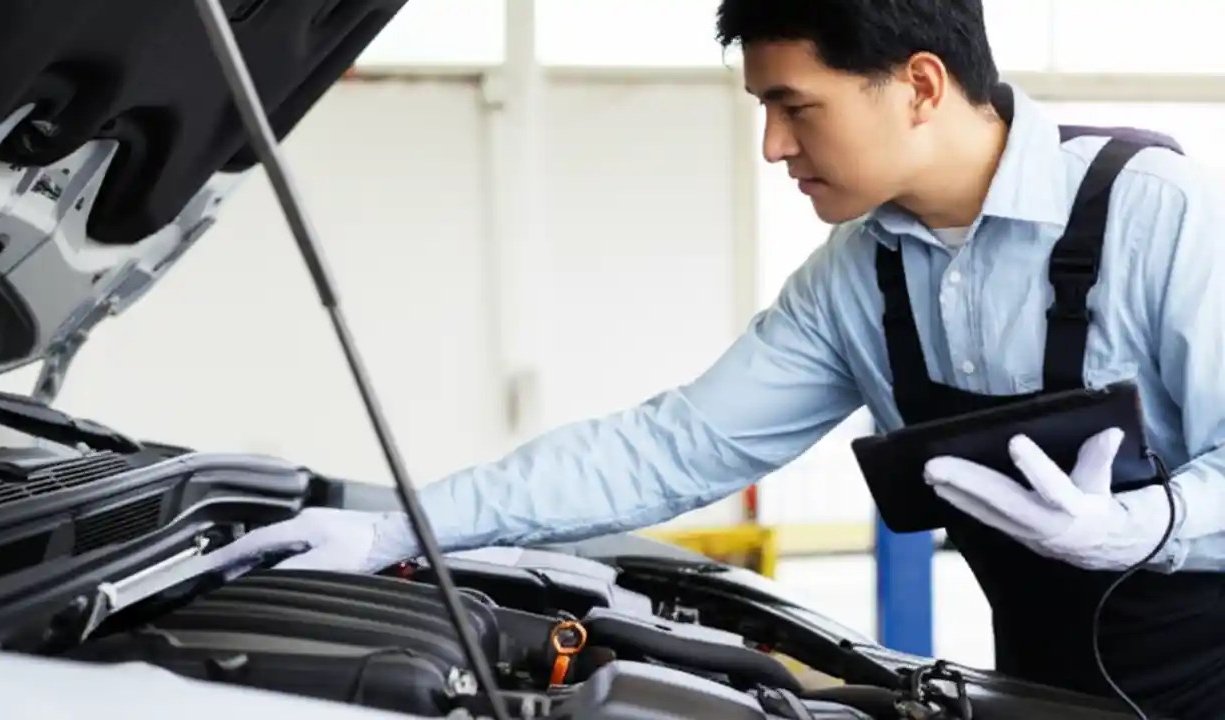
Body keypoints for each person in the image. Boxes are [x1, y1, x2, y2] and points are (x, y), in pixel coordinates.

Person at [198, 1, 1225, 715]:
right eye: (763, 111)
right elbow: (671, 447)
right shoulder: (857, 276)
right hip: (1042, 688)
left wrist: (1150, 522)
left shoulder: (1152, 214)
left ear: (917, 84)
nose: (772, 147)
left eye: (795, 106)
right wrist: (395, 527)